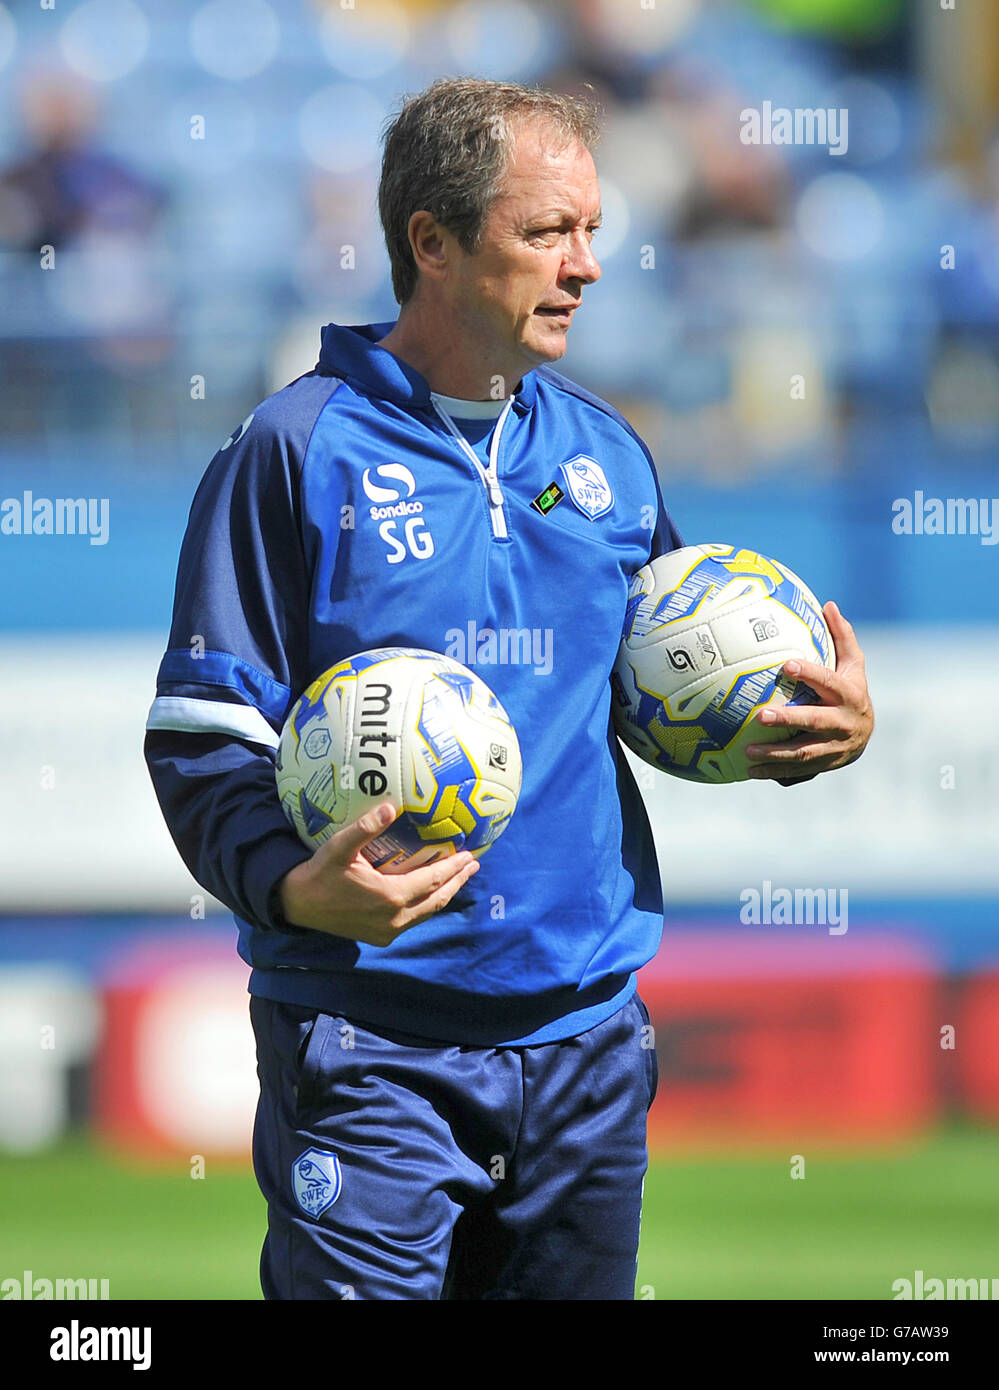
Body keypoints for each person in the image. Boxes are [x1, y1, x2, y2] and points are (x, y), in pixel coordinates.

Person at [144, 77, 873, 1301]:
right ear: (431, 241)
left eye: (594, 230)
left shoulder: (607, 454)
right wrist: (289, 883)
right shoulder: (294, 449)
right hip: (368, 1041)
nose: (586, 267)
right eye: (548, 232)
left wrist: (800, 725)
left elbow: (670, 690)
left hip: (588, 1036)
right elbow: (204, 734)